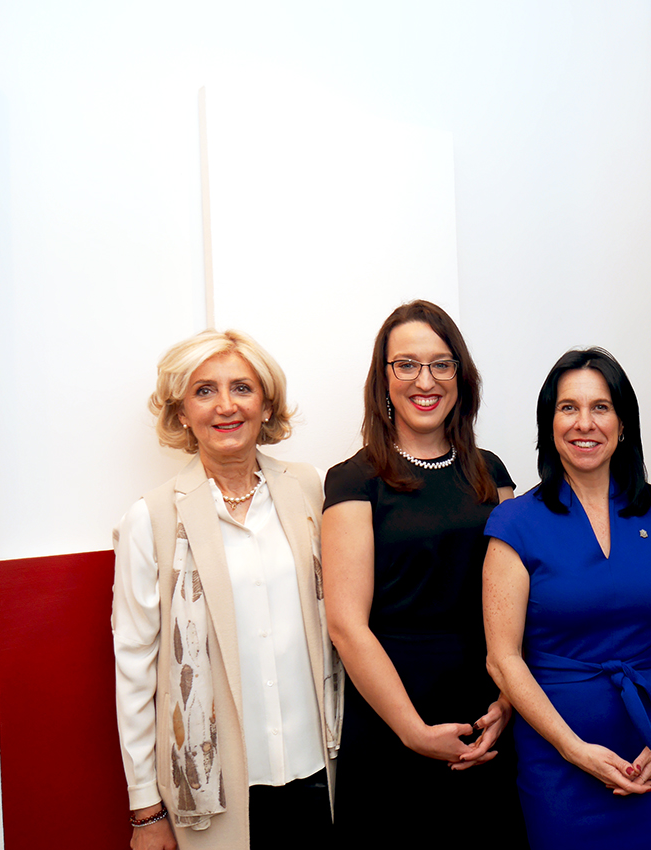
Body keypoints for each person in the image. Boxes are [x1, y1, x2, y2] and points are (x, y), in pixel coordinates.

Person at [112, 330, 340, 850]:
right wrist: (145, 811)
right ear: (181, 412)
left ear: (266, 403)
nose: (226, 406)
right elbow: (134, 671)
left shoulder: (311, 489)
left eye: (242, 387)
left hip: (322, 773)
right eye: (204, 391)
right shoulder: (151, 517)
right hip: (218, 795)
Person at [321, 300, 525, 845]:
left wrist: (510, 703)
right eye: (406, 364)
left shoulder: (493, 472)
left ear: (461, 374)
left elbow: (520, 599)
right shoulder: (352, 481)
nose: (424, 380)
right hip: (392, 721)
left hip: (490, 714)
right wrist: (413, 731)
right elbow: (345, 625)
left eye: (441, 363)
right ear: (383, 379)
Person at [483, 348, 651, 850]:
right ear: (548, 422)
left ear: (623, 423)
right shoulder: (514, 524)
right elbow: (502, 658)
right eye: (568, 408)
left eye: (601, 407)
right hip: (559, 760)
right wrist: (575, 749)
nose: (585, 423)